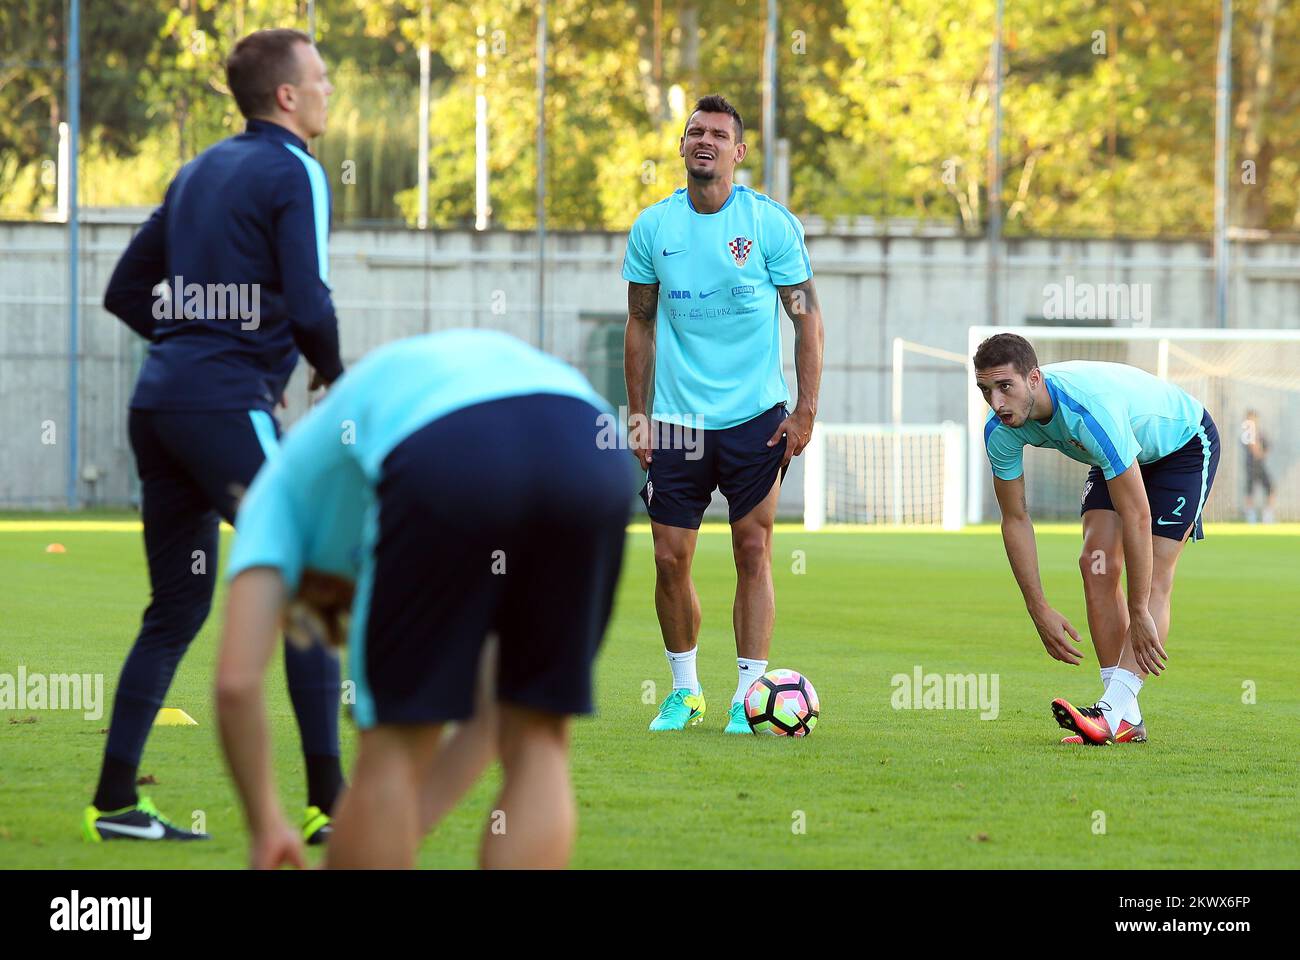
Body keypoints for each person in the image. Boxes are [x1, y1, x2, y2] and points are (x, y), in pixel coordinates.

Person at [215, 330, 633, 869]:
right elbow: (483, 722)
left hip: (448, 442)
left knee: (392, 746)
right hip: (588, 442)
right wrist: (395, 828)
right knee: (539, 736)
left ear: (311, 588)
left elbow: (235, 683)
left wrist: (267, 824)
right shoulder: (348, 472)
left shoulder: (273, 494)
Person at [86, 28, 345, 843]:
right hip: (222, 407)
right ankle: (330, 806)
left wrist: (186, 339)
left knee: (175, 607)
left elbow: (125, 288)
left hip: (159, 406)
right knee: (310, 587)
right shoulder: (294, 168)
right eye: (322, 77)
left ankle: (117, 804)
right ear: (287, 97)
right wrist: (332, 371)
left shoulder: (198, 170)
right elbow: (308, 302)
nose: (331, 89)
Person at [622, 94, 824, 735]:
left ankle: (747, 691)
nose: (703, 141)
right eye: (693, 132)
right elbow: (639, 320)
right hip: (678, 424)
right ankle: (685, 691)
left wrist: (805, 409)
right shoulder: (654, 228)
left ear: (739, 152)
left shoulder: (770, 225)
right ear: (682, 149)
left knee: (752, 550)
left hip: (755, 419)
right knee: (668, 558)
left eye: (717, 134)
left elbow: (807, 320)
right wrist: (637, 413)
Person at [974, 333, 1220, 745]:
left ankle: (1111, 710)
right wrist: (1039, 609)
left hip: (1182, 447)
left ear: (1034, 379)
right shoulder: (1000, 430)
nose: (996, 402)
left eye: (1005, 387)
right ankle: (1125, 718)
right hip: (1120, 454)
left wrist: (1139, 609)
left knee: (1156, 576)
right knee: (1096, 563)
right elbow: (1015, 520)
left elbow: (1137, 515)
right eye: (986, 390)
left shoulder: (1089, 412)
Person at [1241, 410, 1276, 523]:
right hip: (1250, 466)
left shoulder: (1260, 434)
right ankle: (1251, 516)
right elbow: (1254, 449)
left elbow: (1266, 449)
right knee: (1250, 491)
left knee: (1270, 488)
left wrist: (1262, 451)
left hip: (1260, 466)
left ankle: (1268, 514)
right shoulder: (1247, 434)